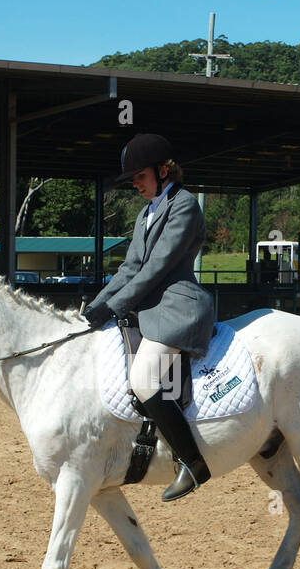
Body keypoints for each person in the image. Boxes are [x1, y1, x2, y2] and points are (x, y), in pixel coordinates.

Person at [81, 133, 215, 501]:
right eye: (134, 179)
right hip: (149, 307)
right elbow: (130, 268)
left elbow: (157, 267)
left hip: (178, 307)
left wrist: (117, 305)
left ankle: (192, 462)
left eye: (140, 176)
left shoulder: (184, 205)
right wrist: (95, 307)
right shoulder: (146, 214)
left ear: (163, 169)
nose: (136, 184)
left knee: (143, 378)